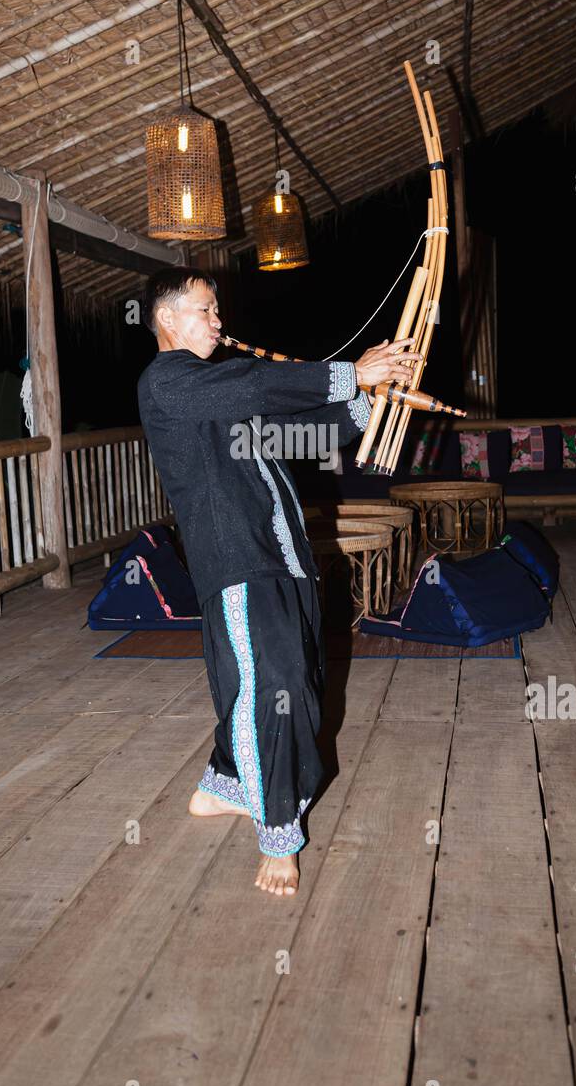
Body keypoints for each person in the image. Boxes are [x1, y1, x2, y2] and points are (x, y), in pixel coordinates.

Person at [137, 268, 417, 896]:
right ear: (169, 320)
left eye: (215, 311)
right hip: (238, 560)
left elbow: (301, 431)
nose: (217, 321)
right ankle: (278, 833)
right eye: (206, 311)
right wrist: (350, 371)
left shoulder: (218, 395)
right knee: (276, 683)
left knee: (297, 680)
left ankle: (223, 786)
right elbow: (255, 382)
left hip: (283, 555)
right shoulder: (167, 383)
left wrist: (371, 400)